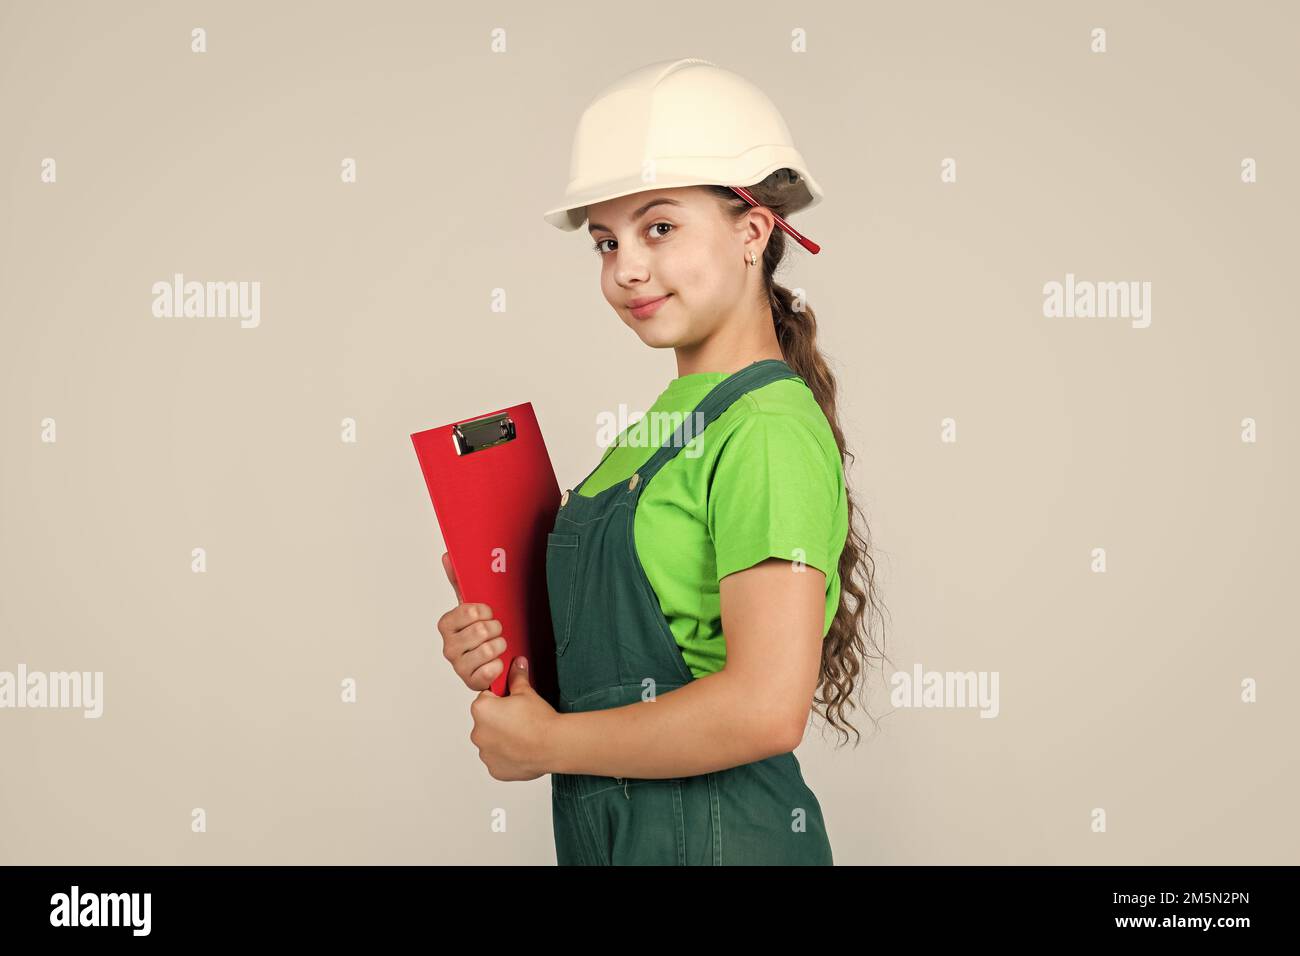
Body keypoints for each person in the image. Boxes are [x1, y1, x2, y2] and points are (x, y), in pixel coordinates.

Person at [436, 57, 887, 865]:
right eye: (606, 242)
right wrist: (506, 650)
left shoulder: (767, 427)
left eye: (659, 228)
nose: (626, 270)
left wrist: (550, 745)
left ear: (753, 232)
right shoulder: (650, 434)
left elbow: (762, 709)